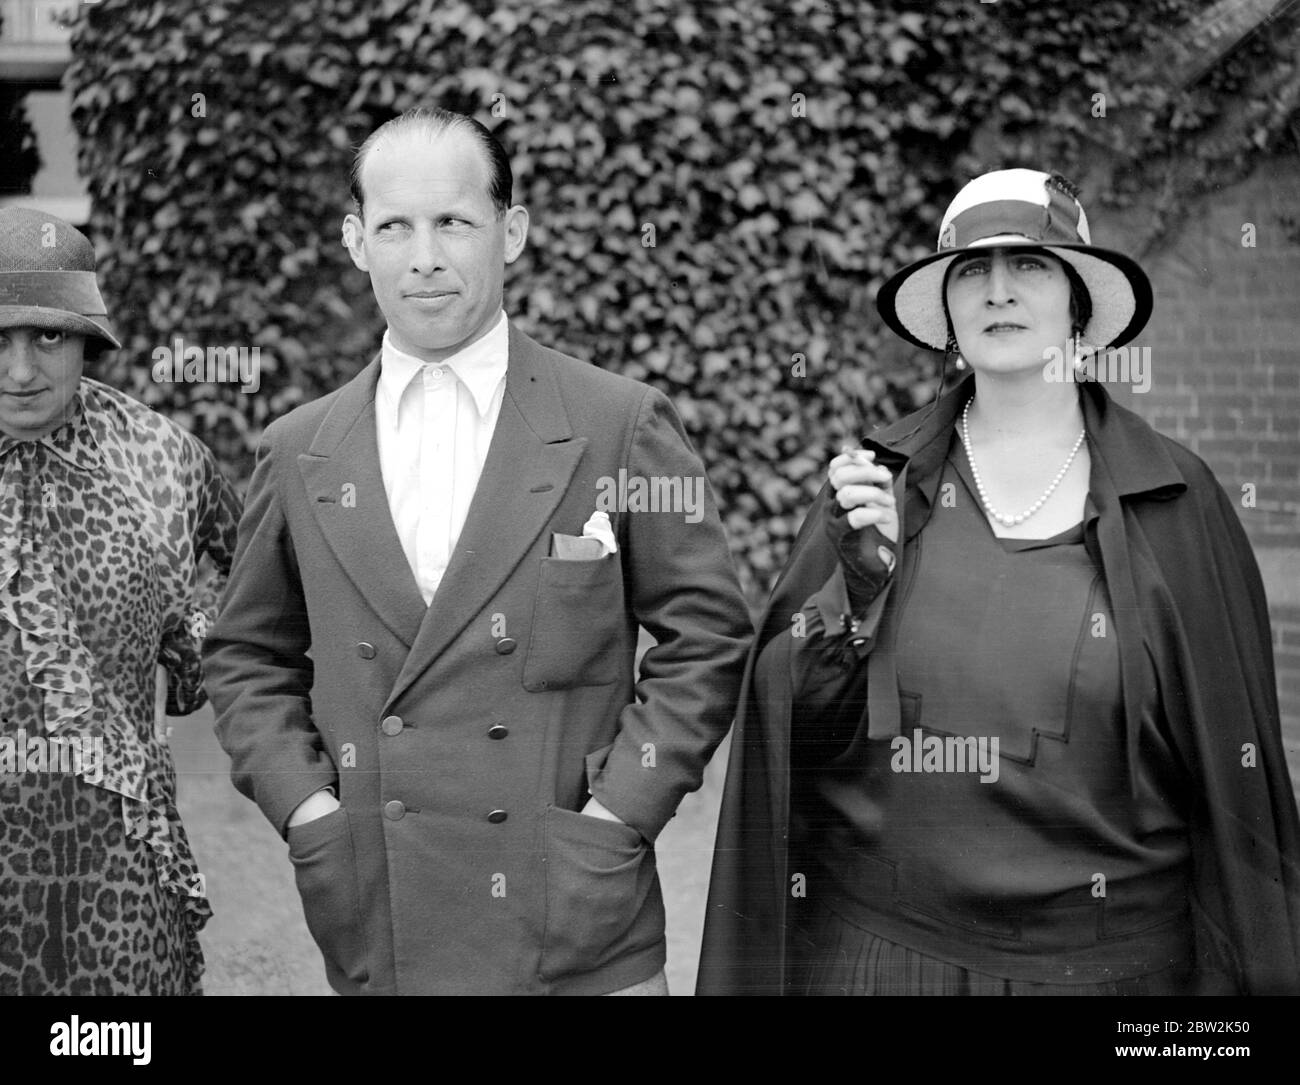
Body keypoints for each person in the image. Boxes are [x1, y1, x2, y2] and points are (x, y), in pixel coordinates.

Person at [697, 168, 1300, 995]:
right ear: (946, 313)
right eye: (972, 271)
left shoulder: (1179, 503)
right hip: (883, 960)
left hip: (1115, 974)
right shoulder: (879, 485)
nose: (1000, 290)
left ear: (1077, 306)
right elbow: (788, 732)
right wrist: (856, 598)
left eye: (1032, 265)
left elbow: (1236, 791)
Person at [202, 107, 753, 996]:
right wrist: (309, 810)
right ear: (355, 241)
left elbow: (710, 638)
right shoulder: (299, 448)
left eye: (454, 221)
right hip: (384, 915)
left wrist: (618, 816)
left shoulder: (618, 423)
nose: (424, 255)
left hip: (578, 924)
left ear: (512, 231)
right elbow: (243, 655)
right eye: (394, 226)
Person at [0, 207, 240, 995]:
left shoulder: (161, 459)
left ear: (87, 340)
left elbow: (253, 579)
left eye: (48, 337)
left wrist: (190, 637)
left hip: (119, 856)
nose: (21, 370)